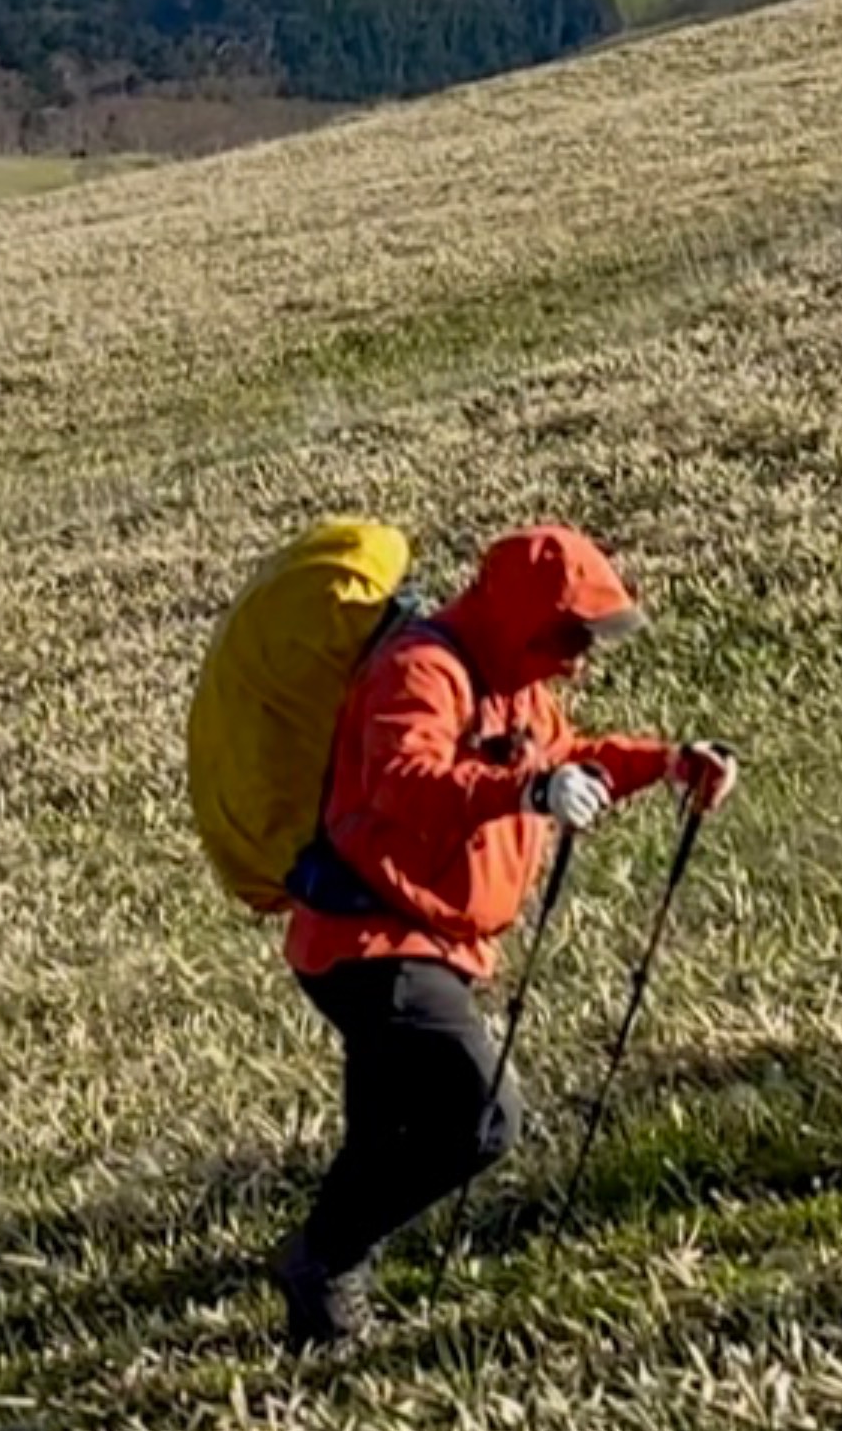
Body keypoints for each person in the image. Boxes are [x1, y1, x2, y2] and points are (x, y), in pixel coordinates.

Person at [272, 523, 741, 1347]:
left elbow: (571, 758)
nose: (578, 657)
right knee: (482, 1118)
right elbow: (402, 781)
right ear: (520, 615)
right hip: (372, 941)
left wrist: (667, 761)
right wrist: (529, 793)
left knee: (385, 1135)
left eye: (585, 639)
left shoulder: (515, 680)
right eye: (567, 634)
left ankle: (324, 1295)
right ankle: (323, 1261)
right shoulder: (422, 670)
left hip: (416, 940)